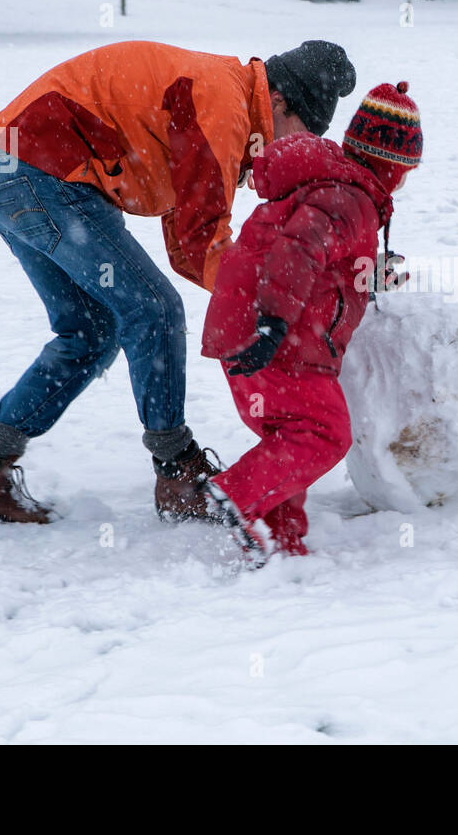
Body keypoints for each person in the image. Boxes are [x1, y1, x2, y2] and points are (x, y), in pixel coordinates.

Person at [0, 40, 357, 525]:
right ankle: (177, 470)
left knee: (91, 331)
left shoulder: (227, 99)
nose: (292, 149)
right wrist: (272, 306)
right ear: (280, 102)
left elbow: (187, 245)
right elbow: (201, 242)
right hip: (44, 171)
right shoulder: (223, 108)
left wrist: (269, 295)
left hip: (9, 166)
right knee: (155, 309)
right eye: (297, 134)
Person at [186, 81, 424, 563]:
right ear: (392, 167)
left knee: (289, 435)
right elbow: (301, 247)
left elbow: (322, 260)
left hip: (252, 332)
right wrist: (273, 321)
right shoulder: (350, 198)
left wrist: (369, 275)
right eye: (405, 172)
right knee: (325, 431)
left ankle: (280, 540)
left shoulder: (336, 189)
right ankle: (235, 494)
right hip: (279, 340)